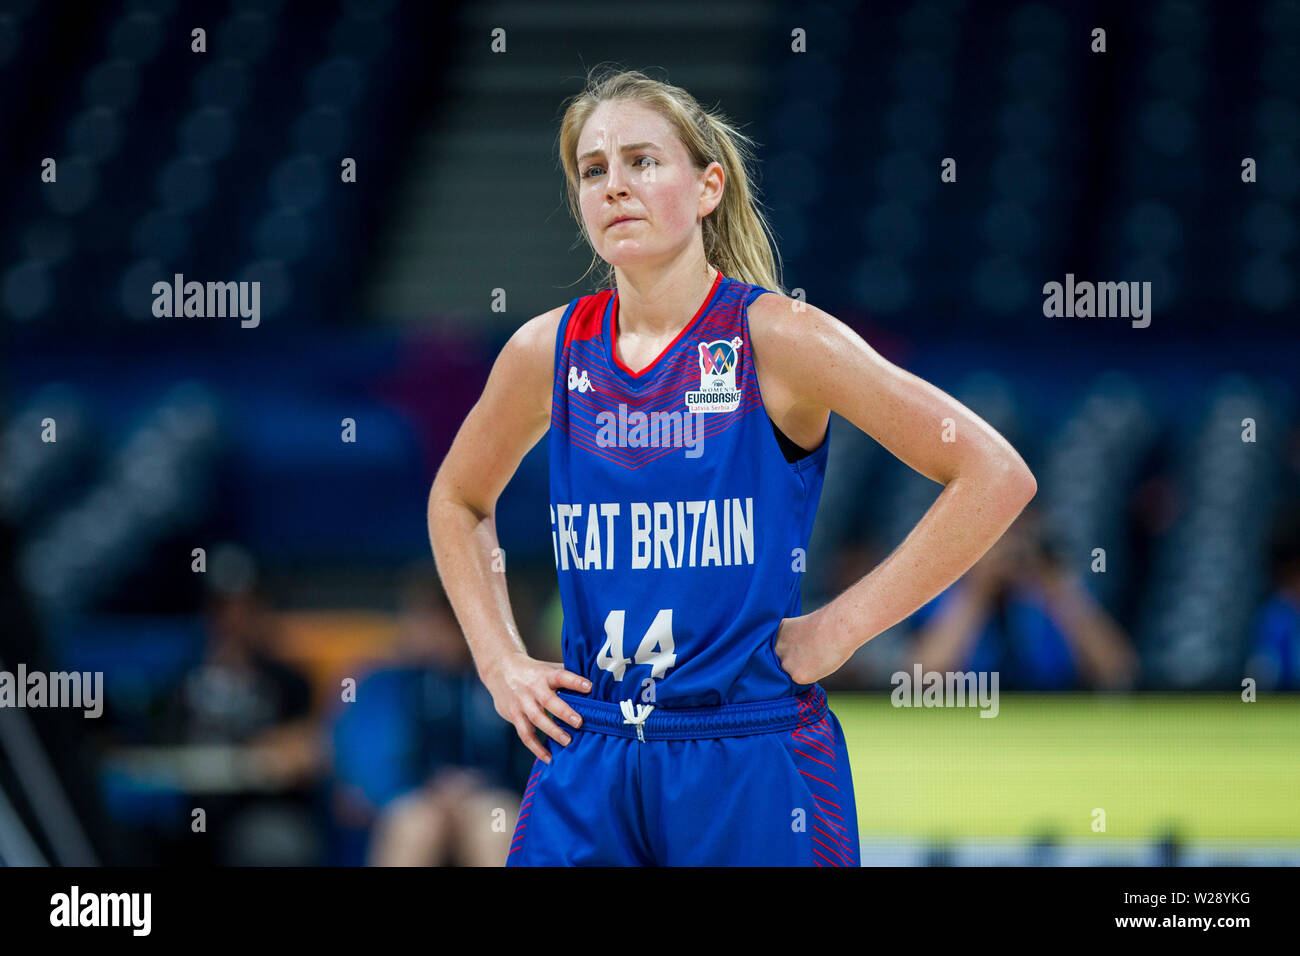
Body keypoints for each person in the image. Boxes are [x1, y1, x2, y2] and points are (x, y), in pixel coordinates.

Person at [427, 67, 1037, 866]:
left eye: (643, 161)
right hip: (590, 748)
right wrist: (499, 658)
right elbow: (459, 498)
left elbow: (994, 474)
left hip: (748, 750)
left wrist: (842, 627)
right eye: (594, 169)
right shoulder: (545, 350)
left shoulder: (780, 339)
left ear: (709, 185)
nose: (616, 185)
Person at [908, 507, 1139, 690]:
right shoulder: (949, 597)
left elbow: (1117, 672)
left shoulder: (1057, 594)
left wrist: (1058, 587)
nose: (1013, 555)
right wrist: (977, 591)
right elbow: (922, 679)